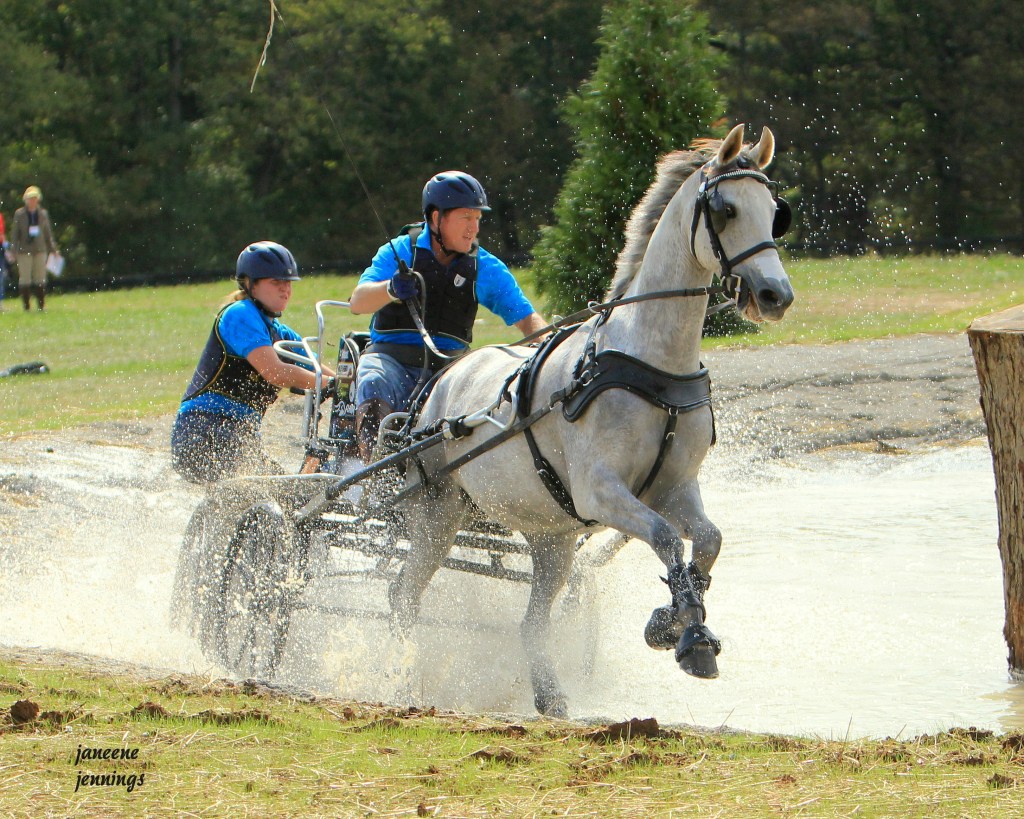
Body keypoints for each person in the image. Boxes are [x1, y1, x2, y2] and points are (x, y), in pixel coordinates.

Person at [349, 170, 547, 461]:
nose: (473, 228)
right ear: (436, 218)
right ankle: (377, 474)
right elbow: (357, 302)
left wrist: (550, 343)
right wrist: (390, 288)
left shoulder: (486, 267)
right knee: (373, 378)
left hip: (449, 373)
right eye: (465, 218)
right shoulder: (400, 250)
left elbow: (528, 319)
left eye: (477, 219)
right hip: (391, 362)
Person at [171, 241, 335, 484]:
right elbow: (274, 371)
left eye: (288, 283)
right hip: (202, 430)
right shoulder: (239, 314)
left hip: (238, 435)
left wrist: (348, 382)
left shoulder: (280, 332)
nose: (285, 290)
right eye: (276, 282)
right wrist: (329, 384)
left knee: (289, 495)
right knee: (273, 494)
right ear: (251, 285)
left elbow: (318, 369)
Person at [10, 186, 59, 311]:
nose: (32, 201)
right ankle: (27, 306)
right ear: (26, 200)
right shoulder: (19, 214)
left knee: (40, 279)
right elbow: (15, 234)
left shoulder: (42, 214)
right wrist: (13, 250)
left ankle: (41, 306)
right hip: (24, 250)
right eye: (30, 198)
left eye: (35, 198)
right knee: (25, 279)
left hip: (40, 249)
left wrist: (53, 249)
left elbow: (48, 233)